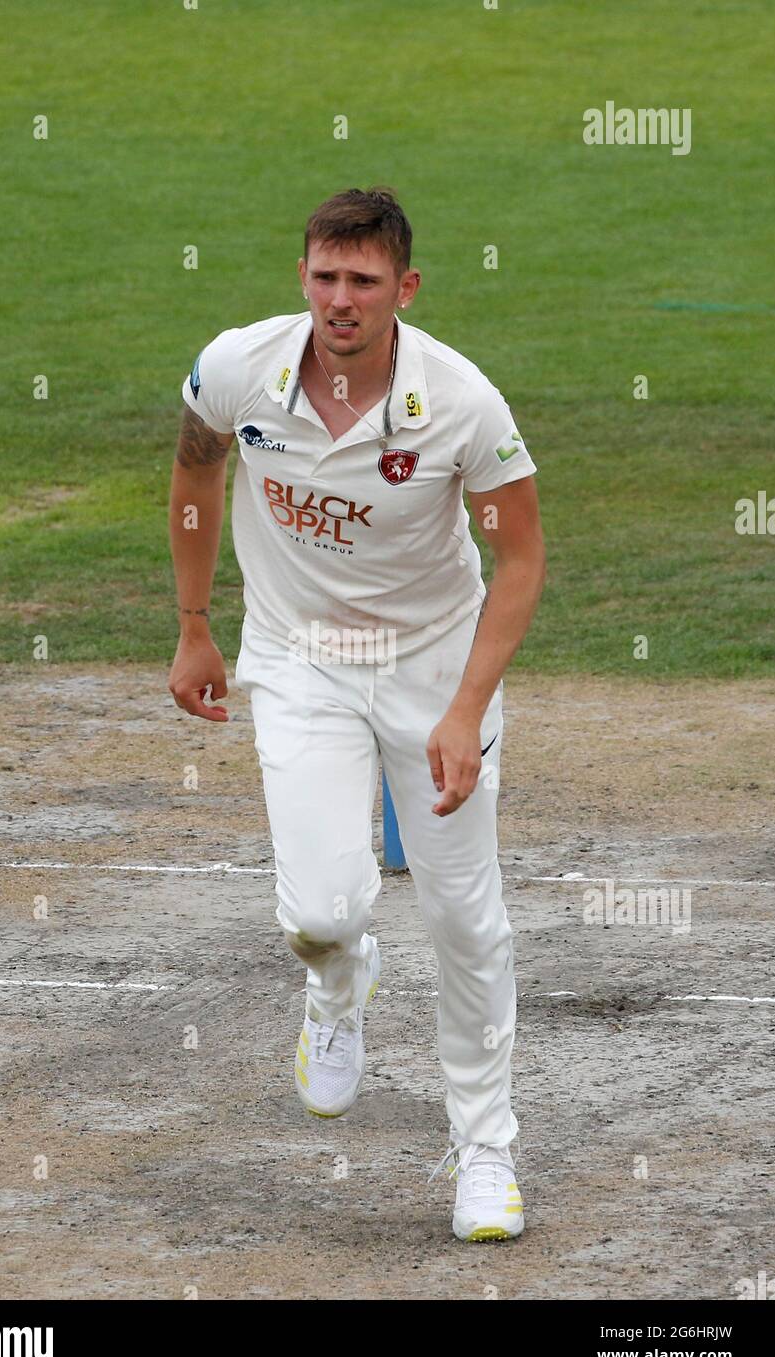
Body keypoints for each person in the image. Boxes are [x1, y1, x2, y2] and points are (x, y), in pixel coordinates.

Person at [168, 186, 545, 1242]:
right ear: (302, 277)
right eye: (325, 276)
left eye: (364, 281)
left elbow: (520, 560)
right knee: (323, 915)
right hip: (299, 662)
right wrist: (196, 622)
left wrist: (465, 707)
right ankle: (338, 989)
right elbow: (196, 471)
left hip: (434, 666)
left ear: (404, 289)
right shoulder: (239, 365)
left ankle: (485, 1149)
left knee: (465, 917)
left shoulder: (460, 402)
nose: (342, 299)